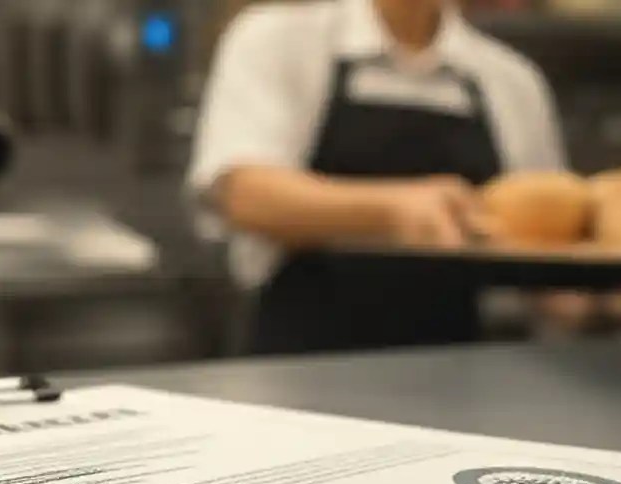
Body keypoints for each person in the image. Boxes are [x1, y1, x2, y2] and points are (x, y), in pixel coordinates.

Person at [188, 0, 567, 355]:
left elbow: (549, 248)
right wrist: (396, 210)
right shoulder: (280, 39)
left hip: (460, 368)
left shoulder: (511, 80)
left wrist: (589, 299)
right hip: (294, 367)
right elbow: (245, 195)